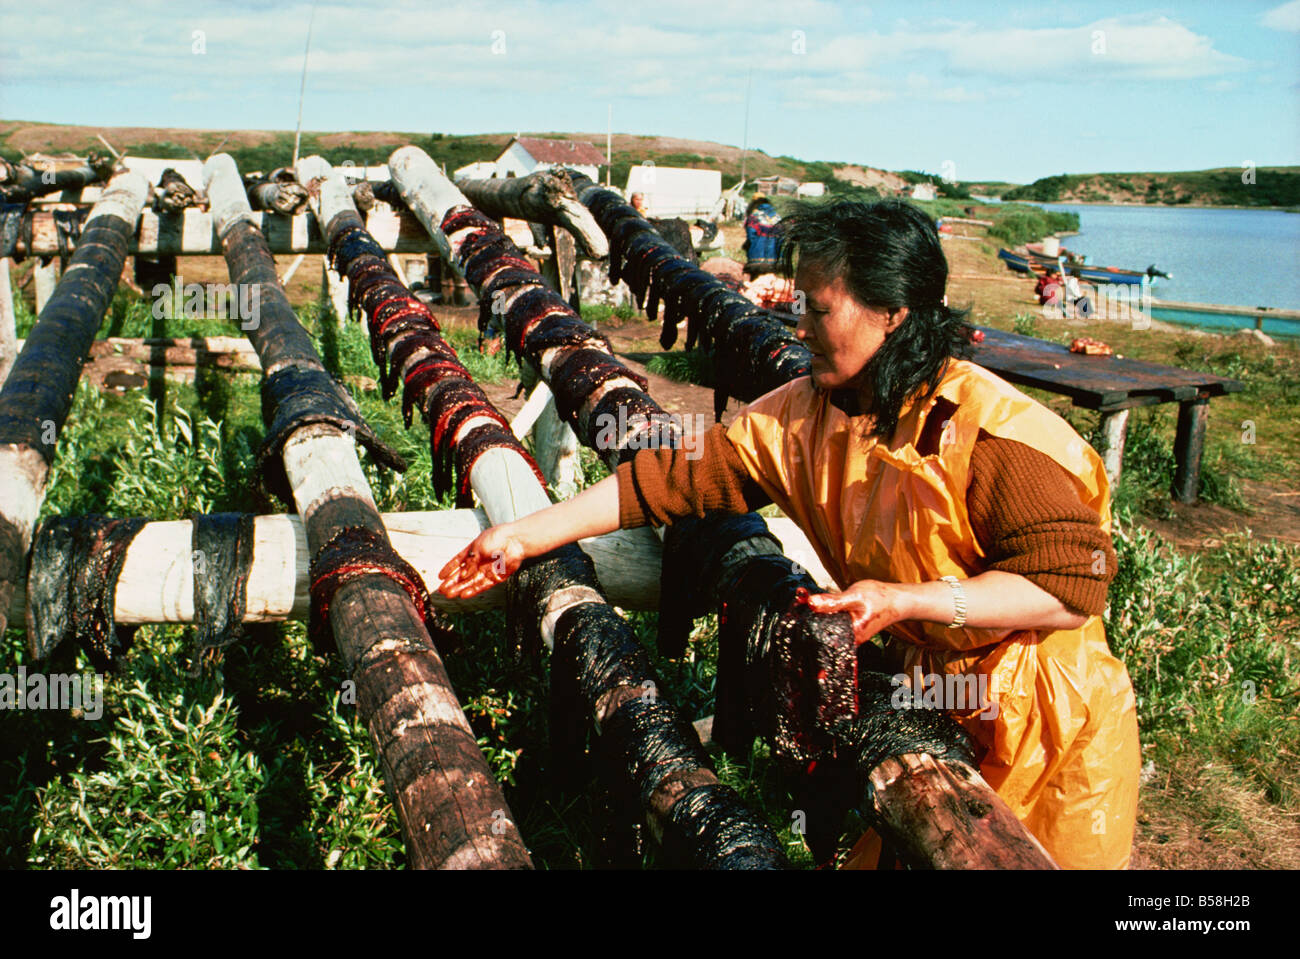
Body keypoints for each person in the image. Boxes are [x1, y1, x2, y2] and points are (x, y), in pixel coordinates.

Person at [438, 198, 1141, 870]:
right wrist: (525, 535)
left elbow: (1067, 593)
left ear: (892, 314)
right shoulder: (806, 412)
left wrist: (909, 602)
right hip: (934, 693)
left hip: (1049, 710)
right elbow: (668, 479)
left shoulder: (996, 437)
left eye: (820, 308)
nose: (799, 325)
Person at [742, 194, 783, 277]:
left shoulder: (754, 216)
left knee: (757, 283)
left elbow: (751, 236)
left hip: (757, 259)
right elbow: (782, 237)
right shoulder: (778, 217)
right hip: (775, 260)